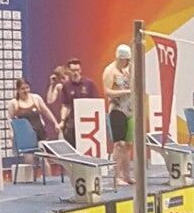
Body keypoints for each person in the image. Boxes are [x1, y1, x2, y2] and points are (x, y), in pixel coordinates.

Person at [47, 58, 97, 146]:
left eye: (77, 70)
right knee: (70, 145)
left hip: (88, 122)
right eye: (73, 70)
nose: (75, 72)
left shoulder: (89, 84)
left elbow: (96, 104)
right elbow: (65, 105)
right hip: (72, 122)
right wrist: (62, 121)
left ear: (81, 70)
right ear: (69, 71)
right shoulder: (66, 86)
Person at [103, 43, 133, 190]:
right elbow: (107, 91)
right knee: (119, 144)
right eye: (126, 60)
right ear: (120, 58)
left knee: (128, 144)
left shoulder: (126, 70)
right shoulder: (110, 71)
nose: (127, 62)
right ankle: (116, 176)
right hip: (117, 109)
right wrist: (126, 92)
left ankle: (126, 175)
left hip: (129, 109)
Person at [12, 77, 57, 142]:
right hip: (24, 136)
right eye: (22, 89)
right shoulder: (14, 103)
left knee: (42, 151)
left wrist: (55, 123)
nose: (25, 91)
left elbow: (46, 111)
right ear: (18, 90)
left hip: (40, 134)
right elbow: (10, 120)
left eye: (27, 88)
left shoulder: (36, 98)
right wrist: (12, 133)